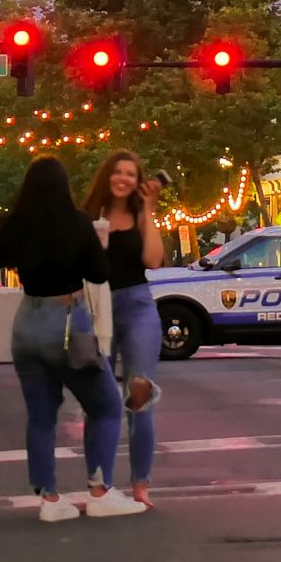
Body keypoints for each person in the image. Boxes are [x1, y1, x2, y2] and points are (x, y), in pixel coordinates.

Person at [0, 157, 142, 521]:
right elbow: (99, 274)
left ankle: (50, 499)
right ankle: (100, 490)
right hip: (68, 319)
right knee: (104, 405)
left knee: (41, 415)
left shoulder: (17, 224)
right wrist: (96, 247)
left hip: (27, 321)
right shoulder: (77, 223)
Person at [82, 151, 168, 505]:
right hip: (97, 308)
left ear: (138, 180)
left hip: (137, 305)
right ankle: (99, 486)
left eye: (131, 174)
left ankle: (141, 485)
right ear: (107, 176)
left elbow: (153, 260)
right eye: (117, 172)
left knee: (139, 395)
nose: (123, 179)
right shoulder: (89, 215)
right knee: (100, 402)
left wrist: (147, 209)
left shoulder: (139, 213)